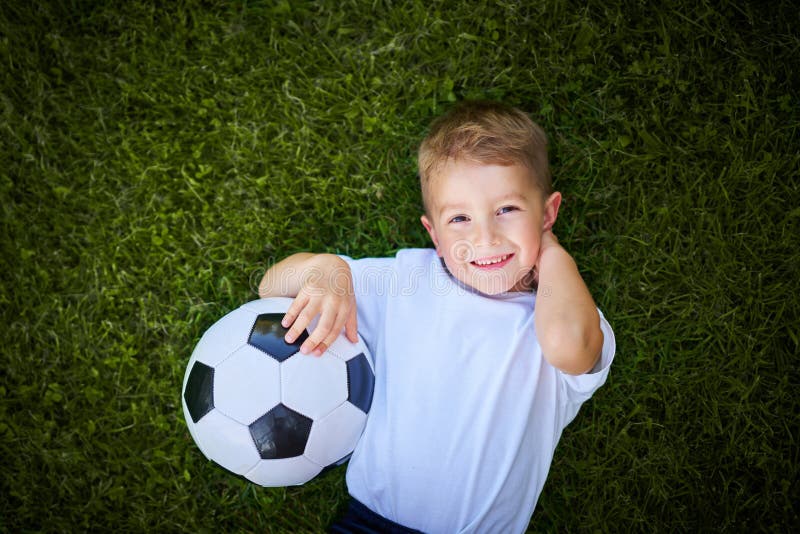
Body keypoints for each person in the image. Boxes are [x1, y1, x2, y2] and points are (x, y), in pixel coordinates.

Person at [258, 100, 616, 533]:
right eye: (460, 218)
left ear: (548, 213)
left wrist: (552, 251)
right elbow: (272, 286)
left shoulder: (558, 312)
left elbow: (571, 348)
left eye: (507, 209)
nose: (484, 236)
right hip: (368, 523)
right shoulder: (408, 281)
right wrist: (326, 268)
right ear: (434, 234)